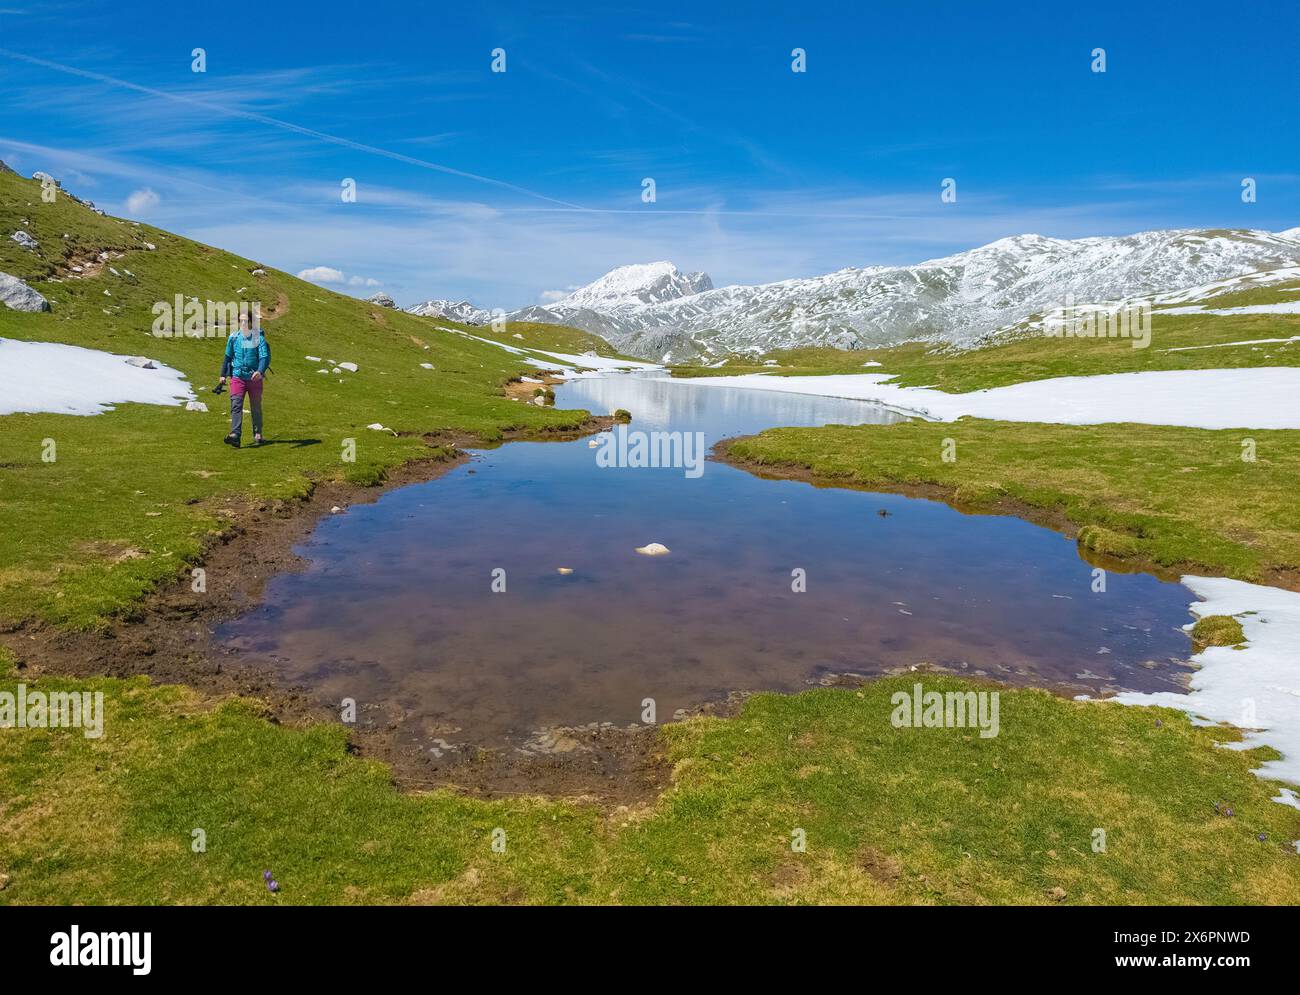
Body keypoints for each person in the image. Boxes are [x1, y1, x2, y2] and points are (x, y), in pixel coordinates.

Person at [220, 305, 270, 448]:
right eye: (240, 321)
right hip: (237, 376)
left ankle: (258, 433)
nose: (243, 324)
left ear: (250, 322)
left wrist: (259, 371)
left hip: (255, 378)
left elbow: (264, 357)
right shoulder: (234, 338)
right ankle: (235, 435)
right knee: (236, 405)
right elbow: (227, 357)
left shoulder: (258, 338)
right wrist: (223, 375)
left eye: (245, 321)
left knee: (255, 407)